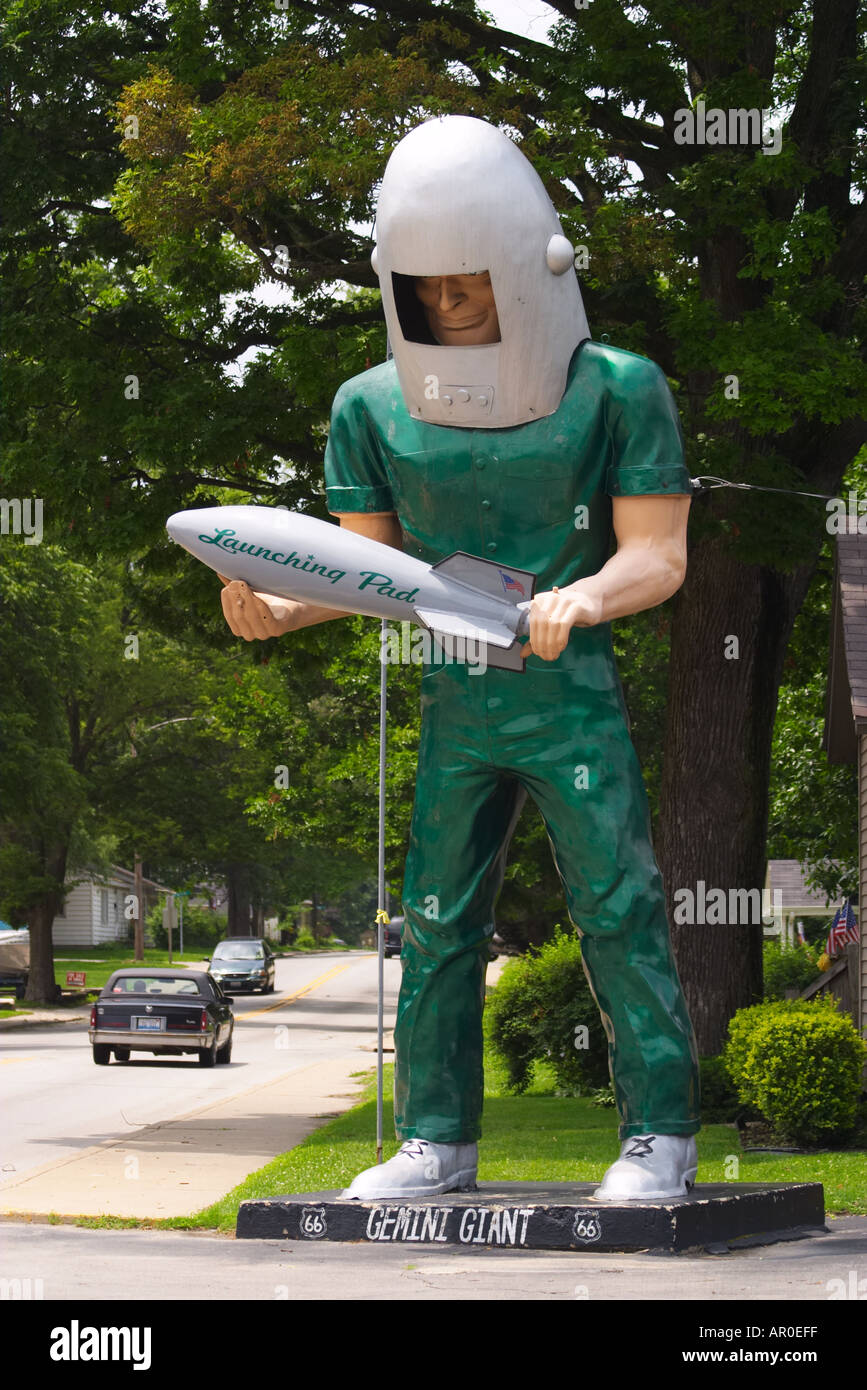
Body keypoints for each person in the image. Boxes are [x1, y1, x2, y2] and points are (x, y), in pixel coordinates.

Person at [220, 116, 700, 1202]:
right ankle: (435, 1134)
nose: (445, 307)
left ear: (529, 269)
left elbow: (659, 554)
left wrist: (581, 597)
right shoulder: (371, 408)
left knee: (618, 904)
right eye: (423, 289)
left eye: (466, 285)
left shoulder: (618, 387)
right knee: (434, 918)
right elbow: (366, 571)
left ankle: (661, 1133)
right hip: (458, 697)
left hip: (568, 693)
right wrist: (276, 606)